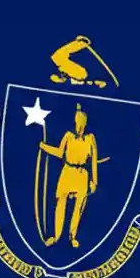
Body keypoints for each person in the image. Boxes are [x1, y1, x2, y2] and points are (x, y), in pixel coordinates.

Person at [39, 104, 98, 248]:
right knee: (61, 202)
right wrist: (44, 147)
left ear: (85, 123)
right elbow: (60, 153)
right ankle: (56, 236)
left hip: (82, 174)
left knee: (78, 207)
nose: (79, 126)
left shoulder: (90, 138)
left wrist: (94, 181)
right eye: (77, 123)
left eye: (82, 123)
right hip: (68, 171)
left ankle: (73, 236)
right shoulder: (68, 136)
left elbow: (93, 161)